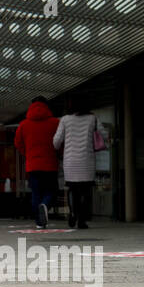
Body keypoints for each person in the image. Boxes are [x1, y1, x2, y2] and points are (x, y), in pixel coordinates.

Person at [53, 96, 103, 230]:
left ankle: (73, 213)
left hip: (70, 161)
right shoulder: (93, 118)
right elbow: (103, 135)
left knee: (73, 189)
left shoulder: (65, 120)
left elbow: (56, 142)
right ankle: (82, 220)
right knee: (86, 192)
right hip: (87, 161)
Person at [14, 96, 59, 228]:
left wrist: (27, 153)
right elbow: (60, 142)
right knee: (51, 190)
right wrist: (58, 154)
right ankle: (45, 205)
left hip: (32, 165)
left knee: (36, 192)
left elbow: (17, 143)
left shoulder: (24, 124)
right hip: (50, 164)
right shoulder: (55, 122)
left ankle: (39, 222)